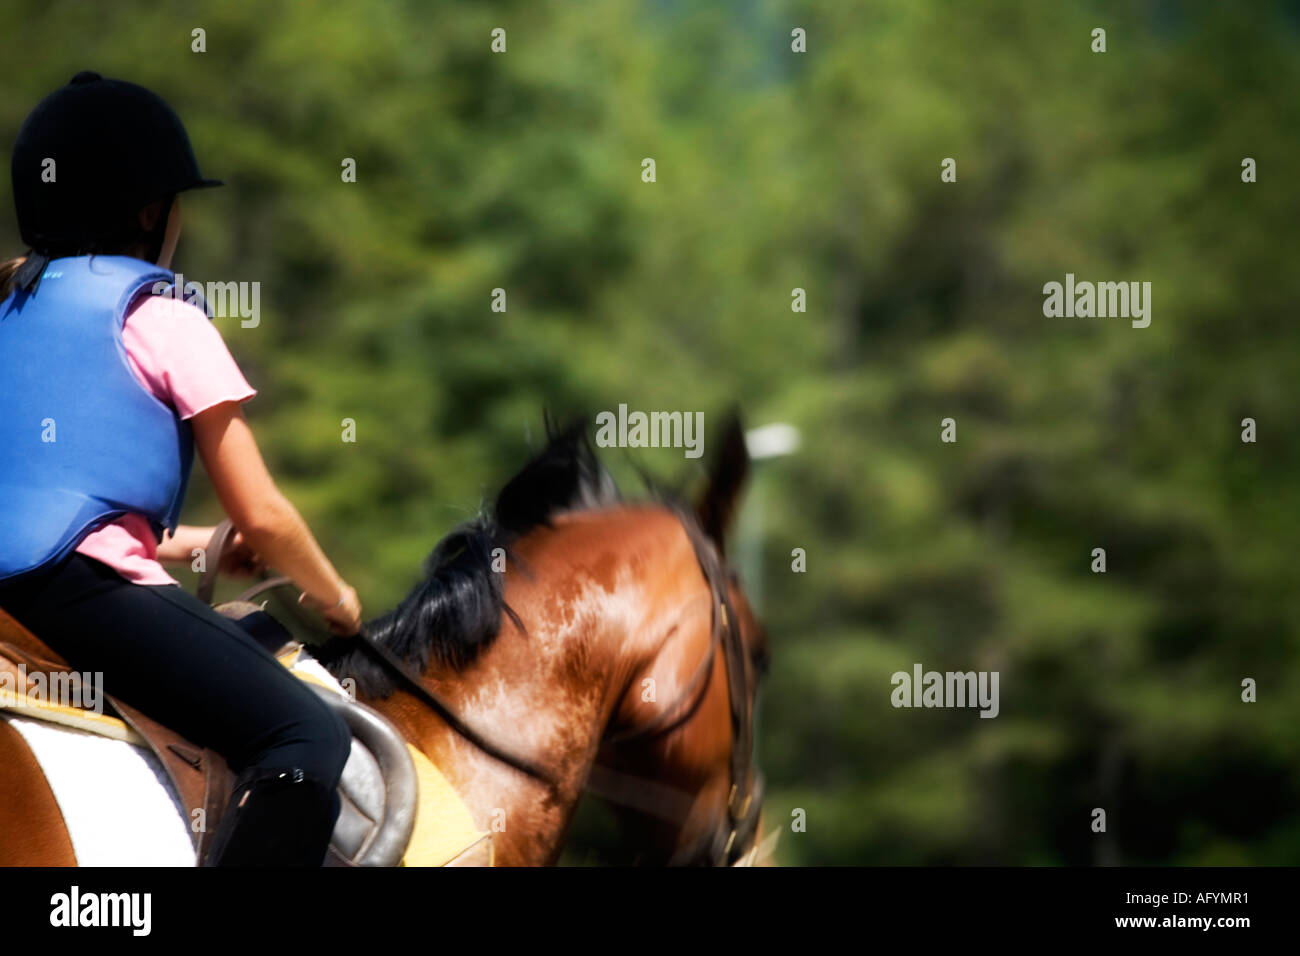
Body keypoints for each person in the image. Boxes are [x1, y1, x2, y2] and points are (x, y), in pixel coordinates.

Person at [0, 72, 363, 866]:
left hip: (29, 586)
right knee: (306, 735)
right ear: (147, 211)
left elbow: (46, 502)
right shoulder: (162, 314)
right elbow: (266, 515)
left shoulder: (6, 307)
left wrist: (195, 542)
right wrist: (334, 597)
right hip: (81, 598)